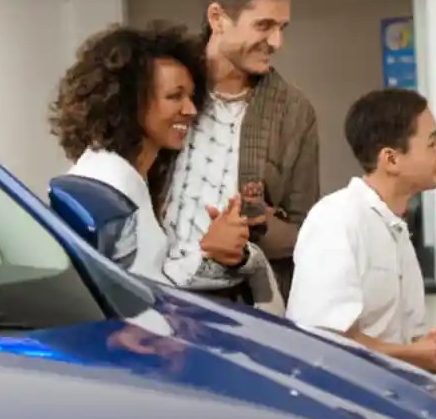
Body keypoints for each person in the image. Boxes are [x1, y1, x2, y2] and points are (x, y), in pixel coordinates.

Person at [48, 22, 281, 311]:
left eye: (191, 97)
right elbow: (136, 298)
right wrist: (209, 253)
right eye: (174, 96)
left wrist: (214, 253)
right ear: (129, 102)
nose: (191, 110)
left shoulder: (131, 176)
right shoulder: (109, 185)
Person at [160, 0, 320, 304]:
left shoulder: (294, 113)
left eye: (282, 27)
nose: (277, 42)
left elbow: (307, 235)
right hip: (146, 296)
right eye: (263, 25)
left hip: (237, 311)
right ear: (217, 18)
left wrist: (258, 225)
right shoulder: (162, 87)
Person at [285, 88, 436, 374]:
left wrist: (428, 347)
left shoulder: (394, 225)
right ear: (391, 159)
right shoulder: (336, 219)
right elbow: (324, 341)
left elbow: (393, 336)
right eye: (431, 142)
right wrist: (413, 354)